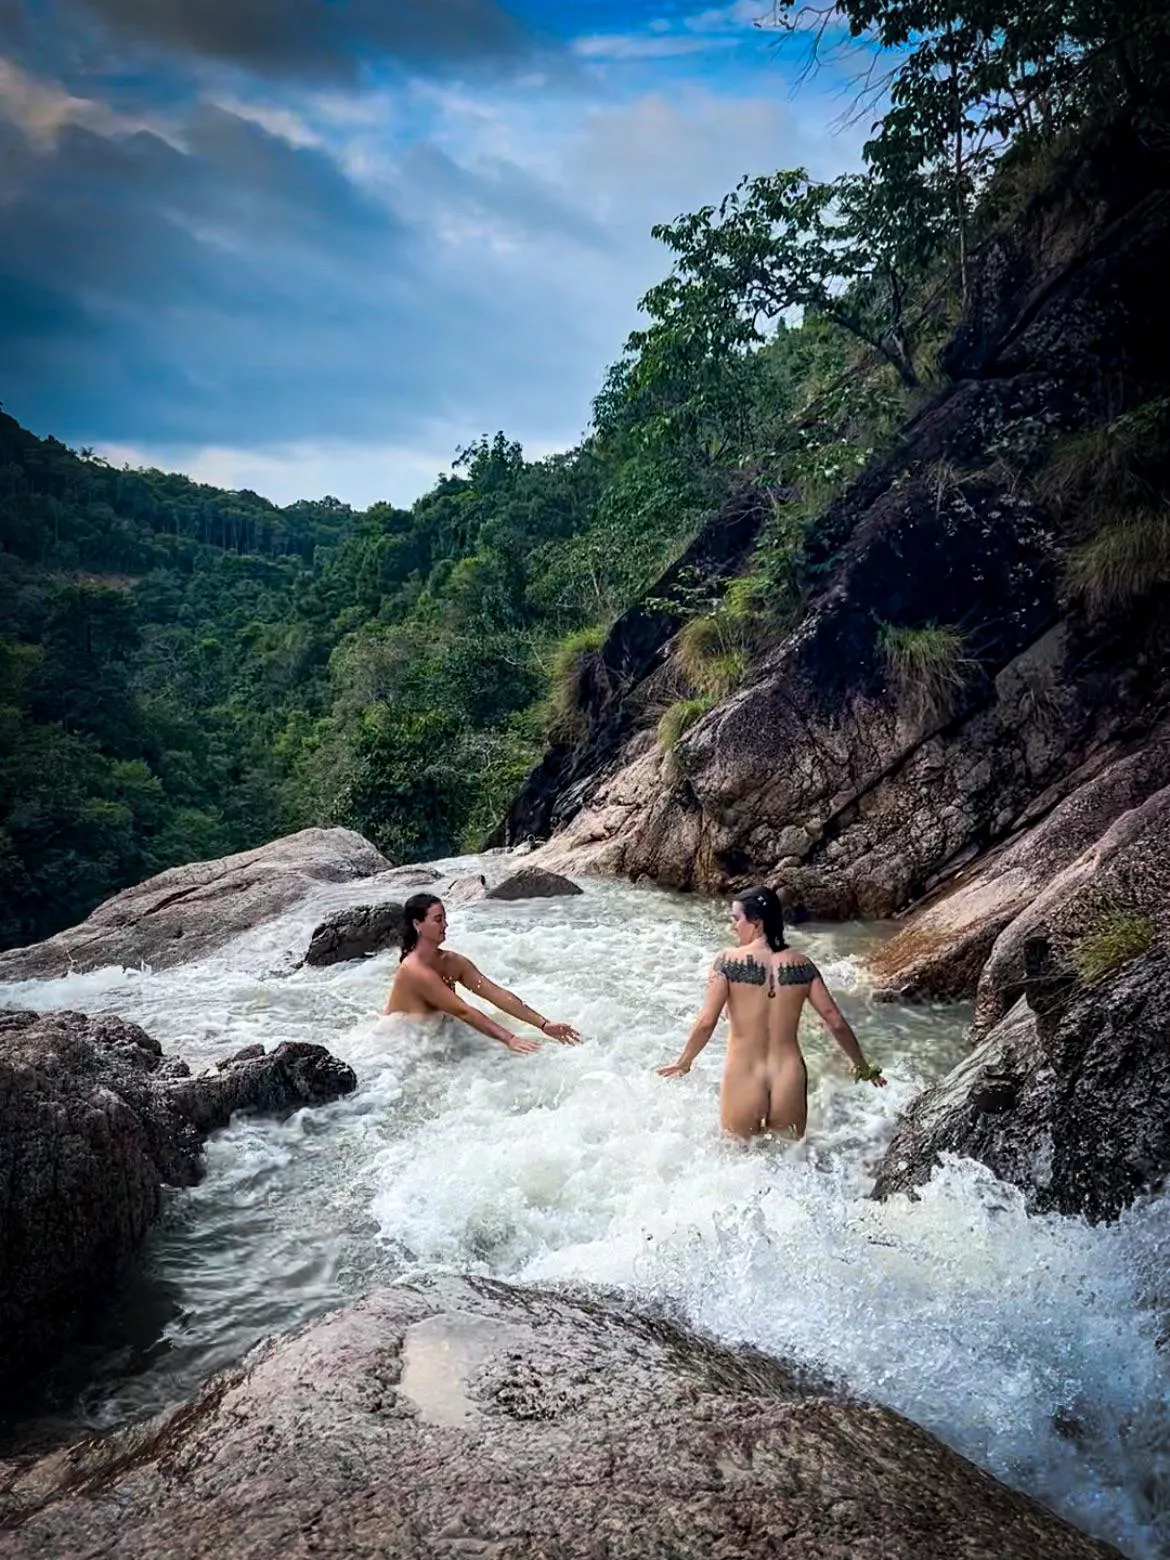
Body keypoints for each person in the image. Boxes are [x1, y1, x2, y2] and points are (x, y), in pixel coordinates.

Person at [657, 885, 884, 1139]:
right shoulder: (802, 964)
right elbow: (835, 1021)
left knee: (737, 1159)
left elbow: (707, 1022)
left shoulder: (727, 961)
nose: (733, 926)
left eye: (736, 919)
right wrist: (863, 1067)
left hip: (744, 1075)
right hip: (789, 1077)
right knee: (791, 1164)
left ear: (756, 922)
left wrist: (684, 1062)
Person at [383, 893, 581, 1054]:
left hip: (435, 1034)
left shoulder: (452, 962)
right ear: (417, 925)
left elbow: (494, 993)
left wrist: (544, 1024)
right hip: (400, 1044)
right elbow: (463, 1011)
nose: (445, 925)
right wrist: (509, 1039)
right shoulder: (413, 969)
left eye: (445, 919)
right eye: (438, 920)